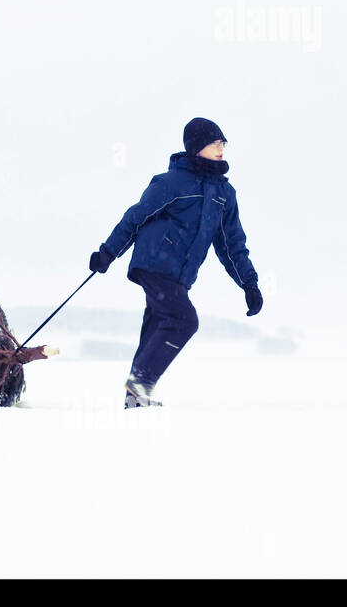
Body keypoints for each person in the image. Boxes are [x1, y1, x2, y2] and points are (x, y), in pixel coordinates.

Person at [89, 118, 262, 408]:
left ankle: (135, 397)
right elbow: (136, 217)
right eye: (214, 143)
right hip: (154, 264)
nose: (221, 148)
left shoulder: (224, 194)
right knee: (184, 320)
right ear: (196, 148)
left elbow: (232, 245)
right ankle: (141, 381)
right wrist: (108, 252)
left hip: (180, 274)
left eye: (223, 143)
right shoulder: (170, 183)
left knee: (159, 324)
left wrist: (249, 283)